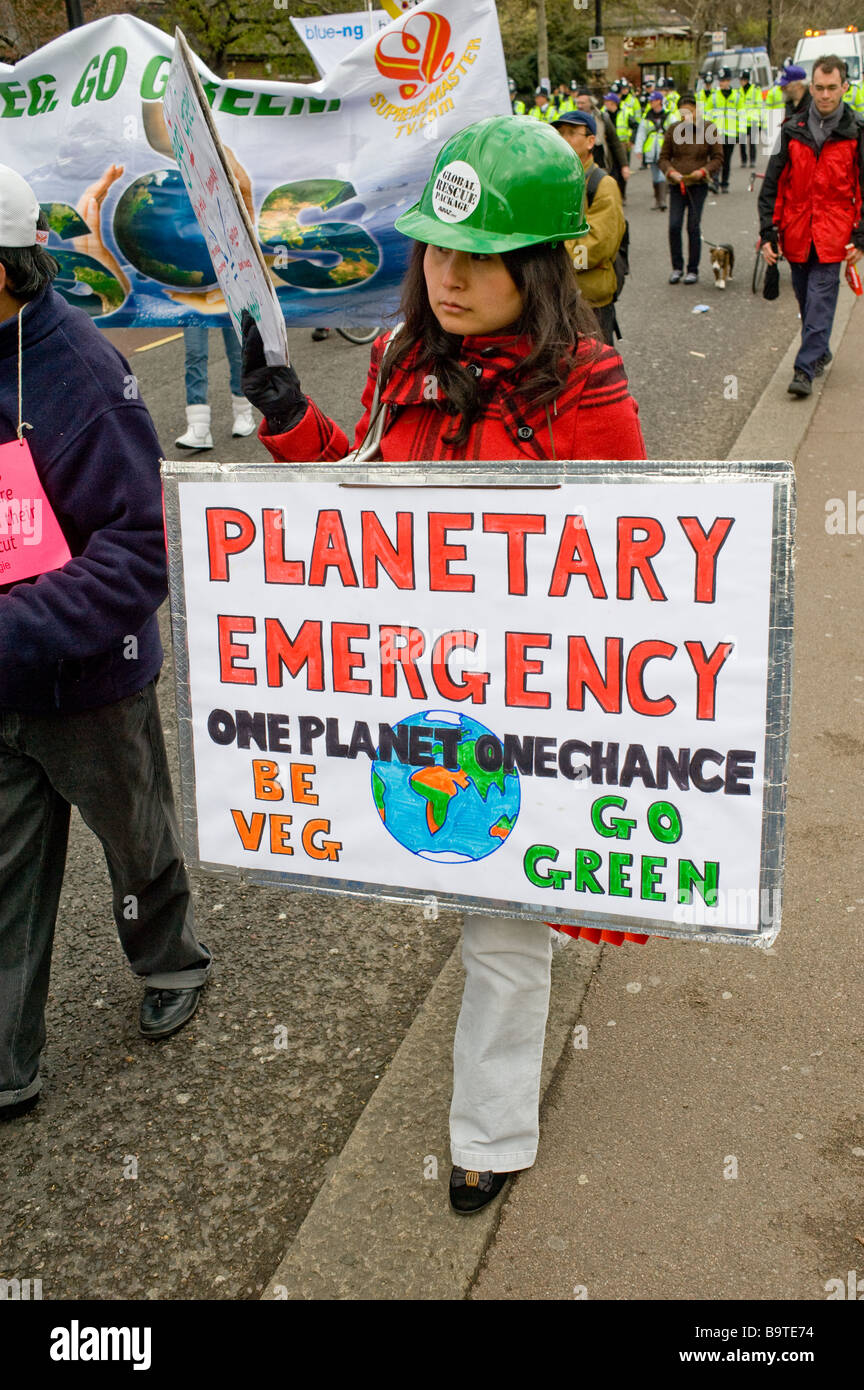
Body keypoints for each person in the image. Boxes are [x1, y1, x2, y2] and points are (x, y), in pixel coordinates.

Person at [239, 116, 646, 1214]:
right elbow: (358, 500)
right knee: (437, 877)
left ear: (537, 265)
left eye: (480, 253)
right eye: (436, 246)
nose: (450, 275)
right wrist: (289, 424)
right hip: (409, 694)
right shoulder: (391, 360)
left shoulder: (589, 386)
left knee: (505, 929)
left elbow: (641, 570)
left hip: (524, 708)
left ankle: (489, 1133)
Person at [0, 165, 213, 1120]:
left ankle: (170, 962)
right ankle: (9, 1064)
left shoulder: (85, 377)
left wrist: (15, 630)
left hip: (93, 689)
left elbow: (138, 557)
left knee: (138, 844)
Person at [758, 54, 864, 397]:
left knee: (821, 297)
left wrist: (860, 236)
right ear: (811, 86)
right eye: (819, 87)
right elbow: (773, 185)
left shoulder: (857, 131)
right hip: (798, 231)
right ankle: (819, 350)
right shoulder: (791, 129)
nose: (825, 95)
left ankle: (803, 369)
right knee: (806, 300)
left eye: (832, 88)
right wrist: (767, 233)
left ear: (845, 87)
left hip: (834, 232)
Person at [552, 109, 626, 344]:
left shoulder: (603, 185)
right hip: (558, 296)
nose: (564, 139)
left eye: (572, 133)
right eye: (560, 132)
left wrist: (550, 258)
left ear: (591, 141)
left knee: (596, 371)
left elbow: (596, 245)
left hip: (590, 299)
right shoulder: (554, 180)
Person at [659, 92, 723, 283]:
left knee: (693, 227)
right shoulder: (673, 130)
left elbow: (718, 158)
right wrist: (670, 172)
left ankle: (692, 269)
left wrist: (703, 171)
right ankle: (677, 267)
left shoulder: (708, 129)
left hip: (698, 185)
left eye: (690, 112)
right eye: (682, 112)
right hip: (678, 185)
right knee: (674, 225)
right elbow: (663, 158)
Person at [175, 324, 255, 450]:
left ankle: (243, 413)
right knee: (194, 354)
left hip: (227, 304)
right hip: (195, 304)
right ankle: (198, 427)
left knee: (236, 353)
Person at [576, 88, 630, 196]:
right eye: (578, 103)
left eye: (583, 103)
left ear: (591, 103)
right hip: (580, 165)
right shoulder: (572, 120)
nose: (579, 106)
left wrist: (624, 165)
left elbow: (615, 142)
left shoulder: (602, 118)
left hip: (602, 164)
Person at [633, 90, 671, 210]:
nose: (651, 103)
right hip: (651, 151)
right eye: (650, 101)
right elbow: (641, 134)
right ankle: (657, 200)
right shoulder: (647, 117)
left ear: (659, 101)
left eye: (653, 101)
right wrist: (638, 149)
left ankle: (662, 200)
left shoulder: (669, 116)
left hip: (664, 151)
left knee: (661, 175)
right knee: (655, 176)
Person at [706, 67, 741, 191]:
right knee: (716, 158)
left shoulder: (737, 96)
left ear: (729, 81)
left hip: (731, 133)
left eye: (725, 80)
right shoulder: (714, 96)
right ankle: (714, 182)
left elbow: (741, 115)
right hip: (717, 133)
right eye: (720, 80)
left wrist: (740, 133)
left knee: (727, 160)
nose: (722, 83)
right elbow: (707, 115)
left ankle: (725, 183)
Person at [737, 68, 762, 168]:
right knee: (742, 143)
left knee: (752, 143)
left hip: (753, 120)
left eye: (742, 80)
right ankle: (744, 160)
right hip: (742, 121)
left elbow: (759, 105)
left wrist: (760, 120)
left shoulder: (755, 90)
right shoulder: (738, 92)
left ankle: (752, 160)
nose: (740, 82)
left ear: (746, 80)